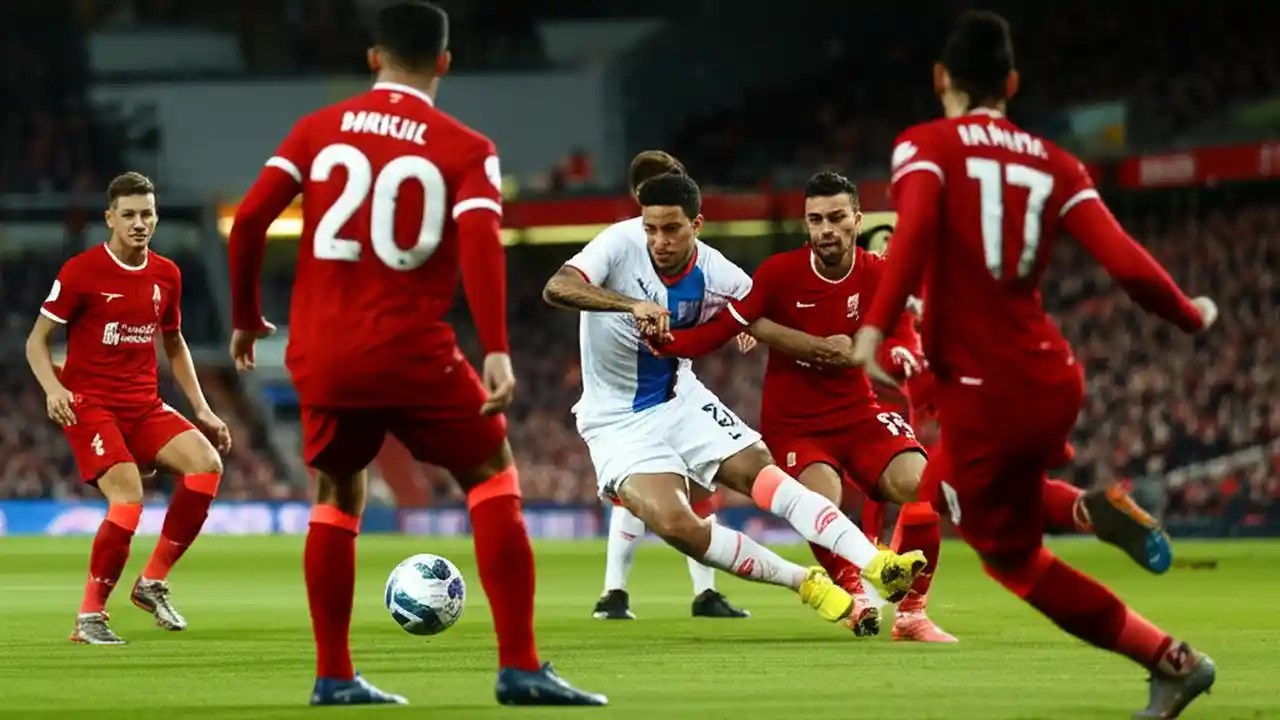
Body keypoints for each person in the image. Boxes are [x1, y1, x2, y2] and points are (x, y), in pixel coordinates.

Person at [225, 1, 605, 708]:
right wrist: (495, 347)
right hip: (409, 347)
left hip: (324, 353)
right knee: (492, 476)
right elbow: (481, 244)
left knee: (337, 494)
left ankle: (334, 677)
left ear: (374, 58)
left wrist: (247, 319)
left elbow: (248, 218)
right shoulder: (464, 147)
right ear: (444, 62)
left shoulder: (316, 129)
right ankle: (518, 667)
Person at [849, 11, 1217, 718]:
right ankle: (1083, 506)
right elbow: (1126, 264)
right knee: (966, 489)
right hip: (1052, 375)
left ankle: (1173, 660)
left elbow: (917, 229)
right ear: (1012, 83)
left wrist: (871, 327)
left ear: (941, 79)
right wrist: (1189, 314)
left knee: (1006, 553)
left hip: (984, 388)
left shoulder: (923, 146)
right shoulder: (1056, 162)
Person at [543, 171, 927, 634]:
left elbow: (761, 319)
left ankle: (877, 565)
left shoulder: (717, 271)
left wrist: (821, 349)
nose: (658, 241)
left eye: (671, 229)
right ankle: (804, 582)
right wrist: (629, 304)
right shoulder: (618, 243)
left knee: (764, 475)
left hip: (680, 399)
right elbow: (557, 287)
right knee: (675, 522)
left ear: (696, 225)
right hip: (615, 422)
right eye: (651, 229)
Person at [648, 171, 953, 642]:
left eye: (835, 218)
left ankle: (912, 614)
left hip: (858, 411)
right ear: (806, 224)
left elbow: (897, 336)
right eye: (815, 220)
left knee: (920, 483)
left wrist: (881, 352)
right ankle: (853, 590)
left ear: (856, 219)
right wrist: (670, 345)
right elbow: (725, 326)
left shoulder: (878, 274)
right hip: (796, 426)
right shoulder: (779, 274)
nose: (825, 229)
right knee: (819, 499)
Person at [27, 171, 231, 645]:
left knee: (206, 465)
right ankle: (89, 617)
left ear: (156, 218)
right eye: (129, 215)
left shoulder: (167, 274)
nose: (139, 223)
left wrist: (202, 407)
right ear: (110, 219)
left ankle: (152, 582)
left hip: (144, 406)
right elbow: (37, 342)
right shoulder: (81, 272)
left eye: (147, 214)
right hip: (90, 404)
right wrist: (52, 390)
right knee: (127, 494)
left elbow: (175, 343)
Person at [590, 150, 749, 622]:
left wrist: (741, 316)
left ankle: (700, 593)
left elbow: (738, 291)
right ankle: (613, 591)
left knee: (698, 488)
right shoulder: (623, 247)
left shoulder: (695, 258)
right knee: (637, 492)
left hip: (673, 385)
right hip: (625, 397)